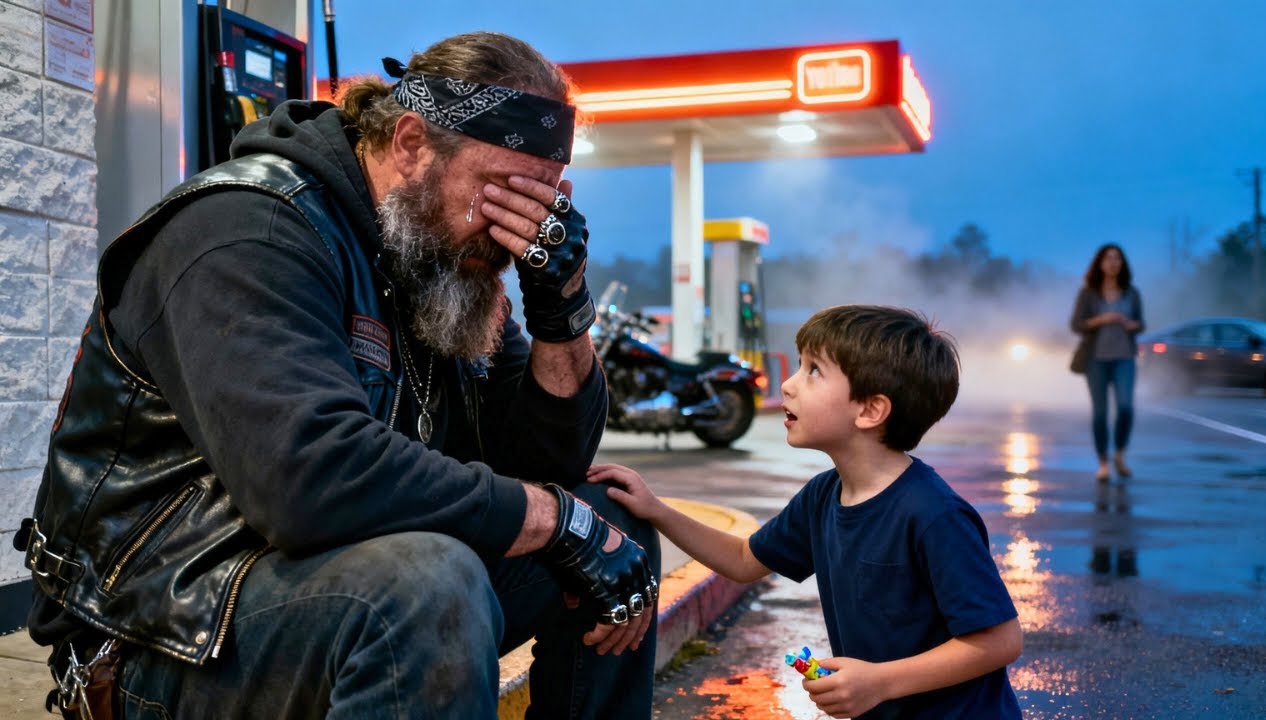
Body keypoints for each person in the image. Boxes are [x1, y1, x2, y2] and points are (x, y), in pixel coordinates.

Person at [14, 32, 660, 720]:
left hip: (329, 583)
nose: (516, 233)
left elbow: (545, 465)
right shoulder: (245, 232)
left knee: (617, 524)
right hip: (167, 632)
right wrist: (552, 521)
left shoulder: (440, 260)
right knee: (426, 586)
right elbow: (307, 480)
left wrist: (562, 310)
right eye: (501, 193)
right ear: (411, 143)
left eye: (541, 206)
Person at [589, 305, 1023, 719]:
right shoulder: (824, 494)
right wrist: (657, 510)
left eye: (814, 371)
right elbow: (743, 561)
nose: (790, 384)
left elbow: (999, 640)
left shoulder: (934, 515)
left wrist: (880, 682)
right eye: (799, 365)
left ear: (871, 410)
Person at [1070, 244, 1145, 482]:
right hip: (1096, 360)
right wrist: (1101, 319)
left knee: (1125, 407)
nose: (1113, 262)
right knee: (1100, 413)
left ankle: (1120, 454)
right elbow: (1076, 324)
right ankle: (1103, 462)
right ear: (1100, 263)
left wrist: (1131, 325)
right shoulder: (1088, 293)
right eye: (1108, 258)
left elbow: (1140, 323)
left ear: (1122, 263)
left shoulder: (1131, 293)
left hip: (1124, 357)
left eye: (1117, 258)